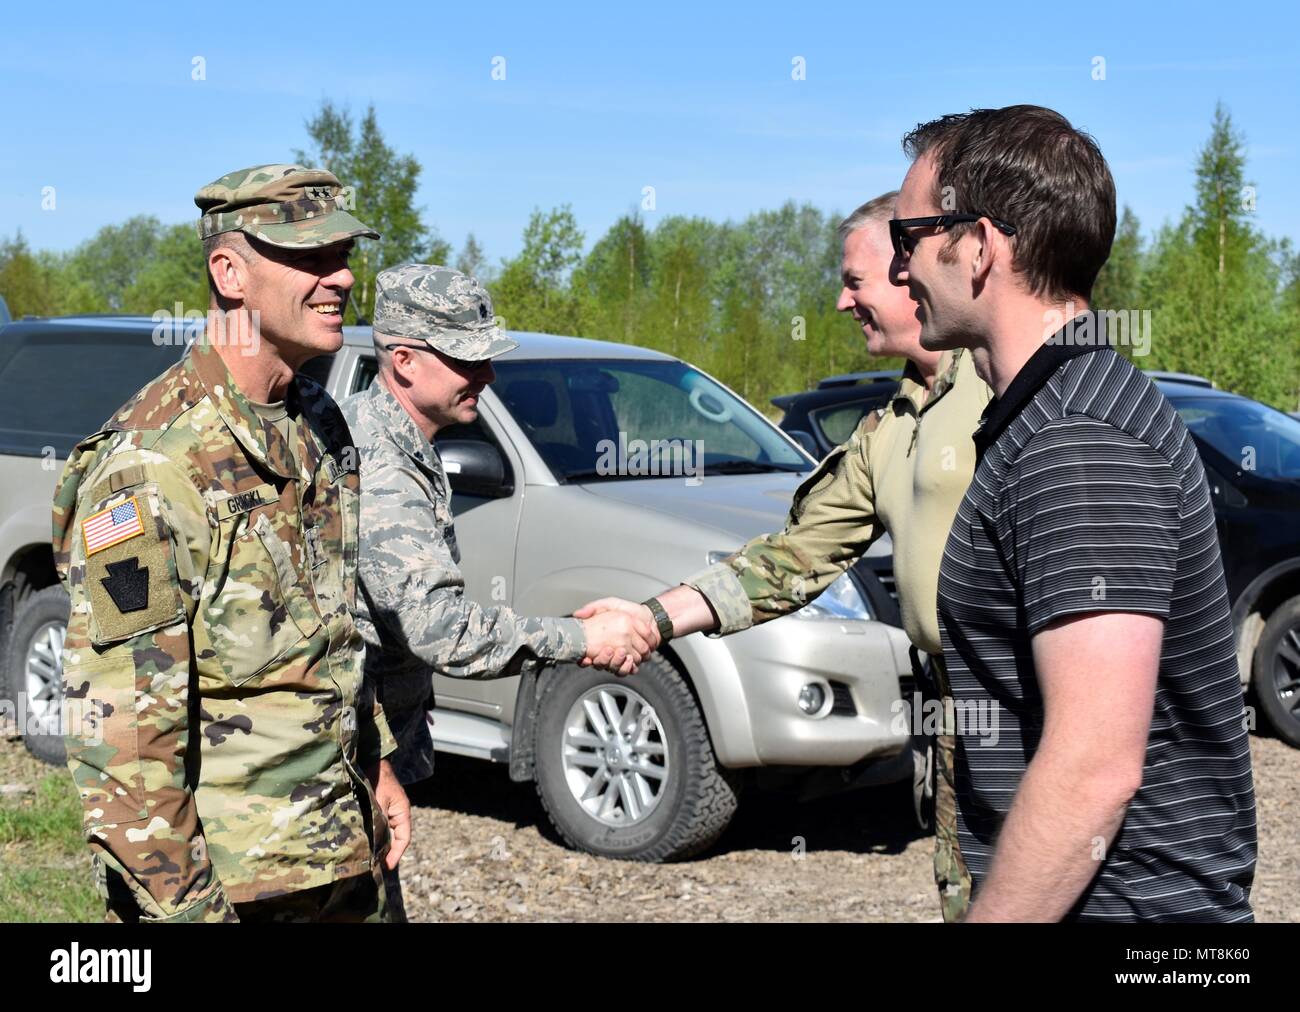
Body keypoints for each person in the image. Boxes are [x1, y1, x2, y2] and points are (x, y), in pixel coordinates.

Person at [576, 192, 991, 921]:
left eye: (853, 282)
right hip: (957, 711)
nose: (839, 302)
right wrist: (650, 619)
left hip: (1033, 706)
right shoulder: (891, 426)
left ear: (910, 271)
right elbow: (792, 559)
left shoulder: (1006, 388)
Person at [891, 105, 1256, 921]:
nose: (898, 267)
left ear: (980, 245)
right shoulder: (1054, 413)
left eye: (907, 236)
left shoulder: (1077, 441)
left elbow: (1095, 766)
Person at [52, 164, 407, 923]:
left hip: (345, 851)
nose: (341, 277)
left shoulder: (318, 421)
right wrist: (192, 914)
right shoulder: (150, 465)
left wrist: (374, 766)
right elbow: (125, 744)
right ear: (228, 273)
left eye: (342, 255)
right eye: (309, 258)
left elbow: (329, 626)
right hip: (238, 889)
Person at [341, 262, 655, 919]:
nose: (486, 376)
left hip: (363, 753)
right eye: (467, 361)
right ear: (403, 361)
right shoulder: (384, 468)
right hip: (340, 764)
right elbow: (439, 629)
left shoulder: (395, 442)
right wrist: (583, 638)